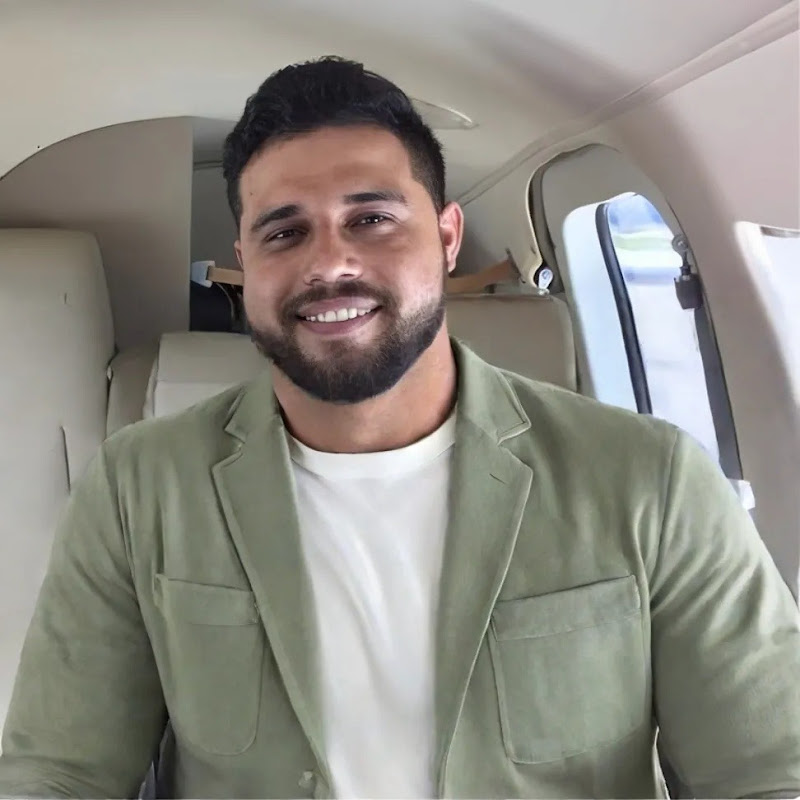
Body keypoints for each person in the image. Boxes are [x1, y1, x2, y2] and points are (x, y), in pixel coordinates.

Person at [0, 56, 798, 800]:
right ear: (245, 259)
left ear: (447, 238)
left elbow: (769, 771)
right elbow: (59, 775)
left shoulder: (651, 480)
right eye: (284, 231)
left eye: (372, 218)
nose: (330, 264)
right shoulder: (139, 487)